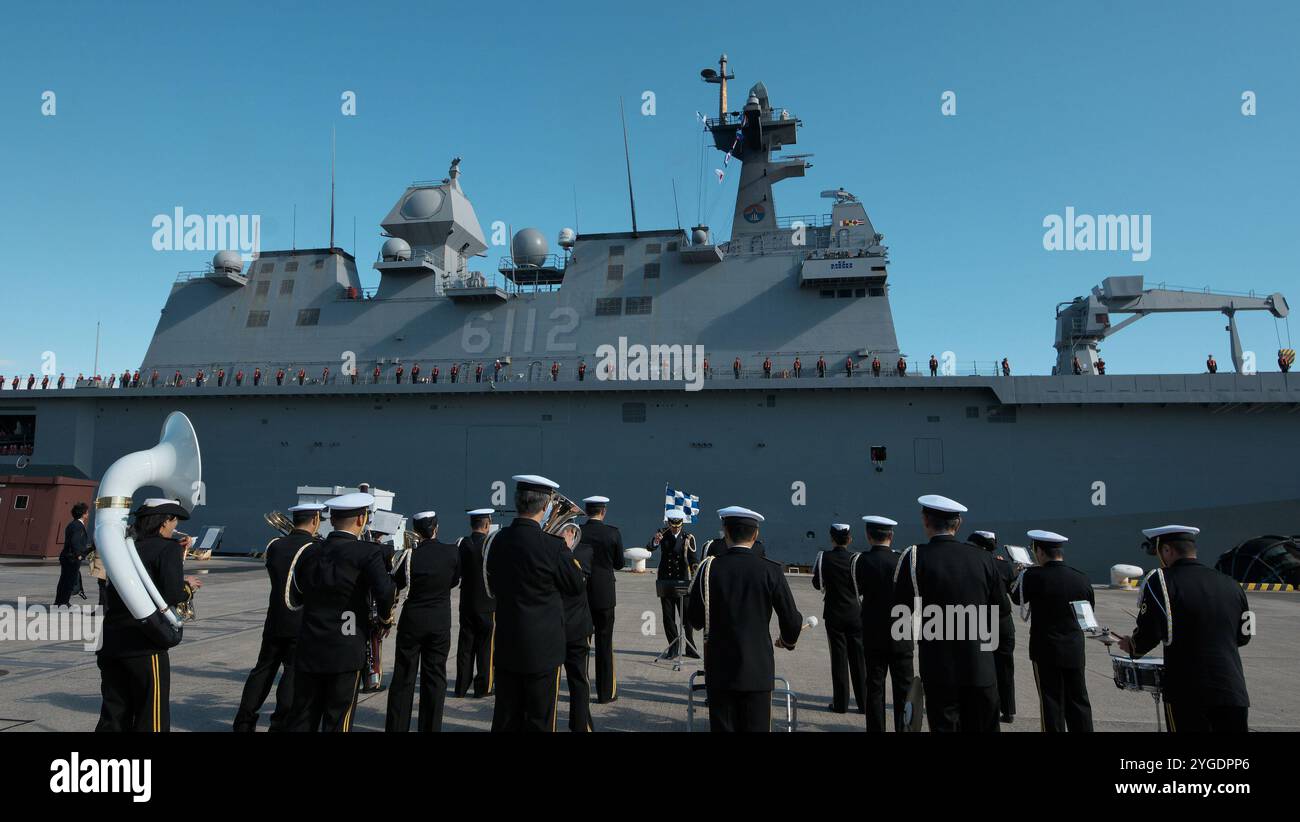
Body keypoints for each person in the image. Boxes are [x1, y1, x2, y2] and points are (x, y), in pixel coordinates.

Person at [1118, 525, 1251, 732]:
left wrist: (1133, 645)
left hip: (1187, 689)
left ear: (1167, 550)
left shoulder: (1160, 580)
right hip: (1232, 689)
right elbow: (1244, 637)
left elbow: (1150, 630)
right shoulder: (1231, 583)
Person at [892, 495, 1005, 732]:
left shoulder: (914, 557)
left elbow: (901, 613)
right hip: (980, 666)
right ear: (959, 523)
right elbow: (1000, 611)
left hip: (939, 667)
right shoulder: (985, 559)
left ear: (925, 521)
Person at [686, 506, 803, 732]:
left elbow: (696, 620)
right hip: (757, 670)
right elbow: (791, 619)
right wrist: (788, 641)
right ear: (756, 535)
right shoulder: (771, 570)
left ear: (725, 532)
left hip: (720, 670)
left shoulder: (708, 569)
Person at [286, 492, 395, 732]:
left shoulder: (308, 552)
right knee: (338, 721)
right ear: (361, 519)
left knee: (303, 718)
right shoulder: (368, 553)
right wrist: (386, 618)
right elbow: (385, 592)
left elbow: (295, 596)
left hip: (310, 646)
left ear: (332, 519)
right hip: (346, 648)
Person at [485, 475, 585, 731]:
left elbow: (492, 588)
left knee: (506, 718)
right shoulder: (554, 547)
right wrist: (567, 551)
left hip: (507, 643)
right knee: (539, 720)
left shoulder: (496, 541)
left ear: (518, 502)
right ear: (546, 507)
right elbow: (575, 586)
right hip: (544, 648)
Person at [96, 499, 200, 732]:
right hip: (144, 642)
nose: (175, 526)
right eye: (174, 521)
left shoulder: (123, 547)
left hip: (111, 639)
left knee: (114, 712)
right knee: (150, 714)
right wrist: (188, 587)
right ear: (164, 521)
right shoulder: (167, 548)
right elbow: (172, 593)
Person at [233, 502, 323, 732]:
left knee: (262, 671)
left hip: (274, 620)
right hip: (299, 621)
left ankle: (244, 722)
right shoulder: (313, 548)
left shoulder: (275, 545)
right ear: (315, 520)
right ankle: (280, 723)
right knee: (291, 675)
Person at [1008, 529, 1093, 732]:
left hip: (1045, 648)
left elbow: (1015, 597)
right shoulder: (1080, 578)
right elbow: (1087, 615)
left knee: (1051, 701)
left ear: (1039, 551)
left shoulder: (1033, 576)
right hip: (1074, 647)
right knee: (1079, 699)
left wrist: (1017, 574)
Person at [386, 511, 460, 732]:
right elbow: (454, 580)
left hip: (412, 622)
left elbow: (396, 583)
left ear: (416, 531)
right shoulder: (452, 552)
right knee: (435, 678)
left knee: (404, 677)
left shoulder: (408, 556)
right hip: (439, 622)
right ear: (436, 527)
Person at [854, 515, 913, 732]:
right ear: (892, 536)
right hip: (902, 633)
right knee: (904, 689)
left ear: (869, 536)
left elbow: (858, 591)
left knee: (875, 688)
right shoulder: (904, 560)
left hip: (873, 634)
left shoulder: (859, 561)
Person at [812, 523, 865, 713]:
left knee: (839, 659)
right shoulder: (856, 559)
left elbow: (817, 584)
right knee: (859, 659)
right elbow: (863, 586)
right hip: (855, 613)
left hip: (834, 614)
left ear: (832, 538)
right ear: (849, 539)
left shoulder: (823, 557)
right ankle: (864, 703)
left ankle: (841, 704)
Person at [968, 530, 1016, 724]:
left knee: (981, 668)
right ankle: (1008, 710)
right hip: (1004, 624)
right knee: (1005, 668)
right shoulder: (1005, 566)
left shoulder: (972, 564)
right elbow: (1016, 597)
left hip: (981, 624)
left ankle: (983, 707)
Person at [580, 495, 625, 700]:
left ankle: (580, 690)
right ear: (603, 511)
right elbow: (619, 564)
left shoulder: (578, 532)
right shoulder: (612, 533)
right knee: (604, 643)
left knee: (581, 644)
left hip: (581, 594)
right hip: (605, 594)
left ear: (586, 511)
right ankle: (606, 692)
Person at [454, 508, 497, 698]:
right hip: (487, 604)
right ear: (487, 524)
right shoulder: (492, 544)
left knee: (465, 646)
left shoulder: (462, 543)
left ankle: (461, 686)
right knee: (486, 647)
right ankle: (484, 687)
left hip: (467, 603)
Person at [558, 522, 594, 731]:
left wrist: (565, 550)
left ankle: (580, 726)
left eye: (570, 531)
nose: (567, 534)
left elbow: (577, 583)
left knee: (579, 682)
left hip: (577, 627)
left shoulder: (584, 552)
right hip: (555, 626)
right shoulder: (550, 551)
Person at [647, 509, 698, 660]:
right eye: (672, 524)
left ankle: (690, 647)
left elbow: (693, 557)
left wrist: (695, 567)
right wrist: (656, 540)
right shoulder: (662, 534)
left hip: (682, 579)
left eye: (678, 525)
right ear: (668, 522)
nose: (675, 527)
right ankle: (673, 648)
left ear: (682, 523)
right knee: (668, 616)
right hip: (666, 580)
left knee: (686, 616)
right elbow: (650, 547)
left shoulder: (688, 537)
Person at [55, 502, 92, 605]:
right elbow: (75, 541)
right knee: (69, 582)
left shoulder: (72, 524)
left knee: (64, 580)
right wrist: (78, 555)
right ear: (83, 514)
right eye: (87, 512)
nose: (88, 514)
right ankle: (63, 603)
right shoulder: (78, 526)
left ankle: (59, 602)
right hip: (72, 558)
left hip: (67, 556)